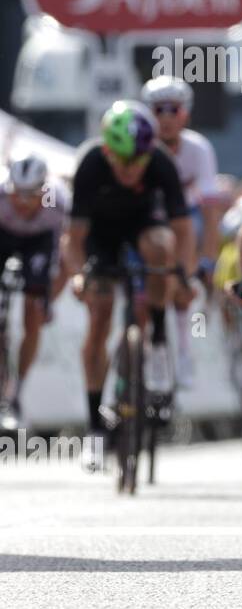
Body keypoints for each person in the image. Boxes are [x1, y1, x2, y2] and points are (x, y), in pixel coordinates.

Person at [65, 101, 193, 460]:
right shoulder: (90, 164)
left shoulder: (159, 163)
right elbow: (73, 238)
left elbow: (183, 231)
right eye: (124, 162)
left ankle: (157, 332)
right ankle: (94, 424)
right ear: (108, 151)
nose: (132, 170)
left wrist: (182, 273)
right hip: (100, 237)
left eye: (139, 162)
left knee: (160, 246)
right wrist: (78, 275)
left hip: (143, 225)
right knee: (101, 313)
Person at [141, 76, 221, 388]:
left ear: (184, 113)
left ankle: (184, 348)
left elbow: (210, 209)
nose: (165, 118)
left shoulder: (198, 149)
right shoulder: (141, 148)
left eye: (172, 109)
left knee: (186, 232)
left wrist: (208, 261)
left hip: (184, 220)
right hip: (146, 221)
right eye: (157, 110)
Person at [0, 155, 70, 428]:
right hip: (3, 238)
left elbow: (65, 257)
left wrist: (49, 301)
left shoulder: (57, 201)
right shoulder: (2, 196)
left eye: (32, 195)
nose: (25, 202)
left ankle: (17, 391)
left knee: (34, 313)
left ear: (44, 189)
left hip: (39, 244)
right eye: (19, 193)